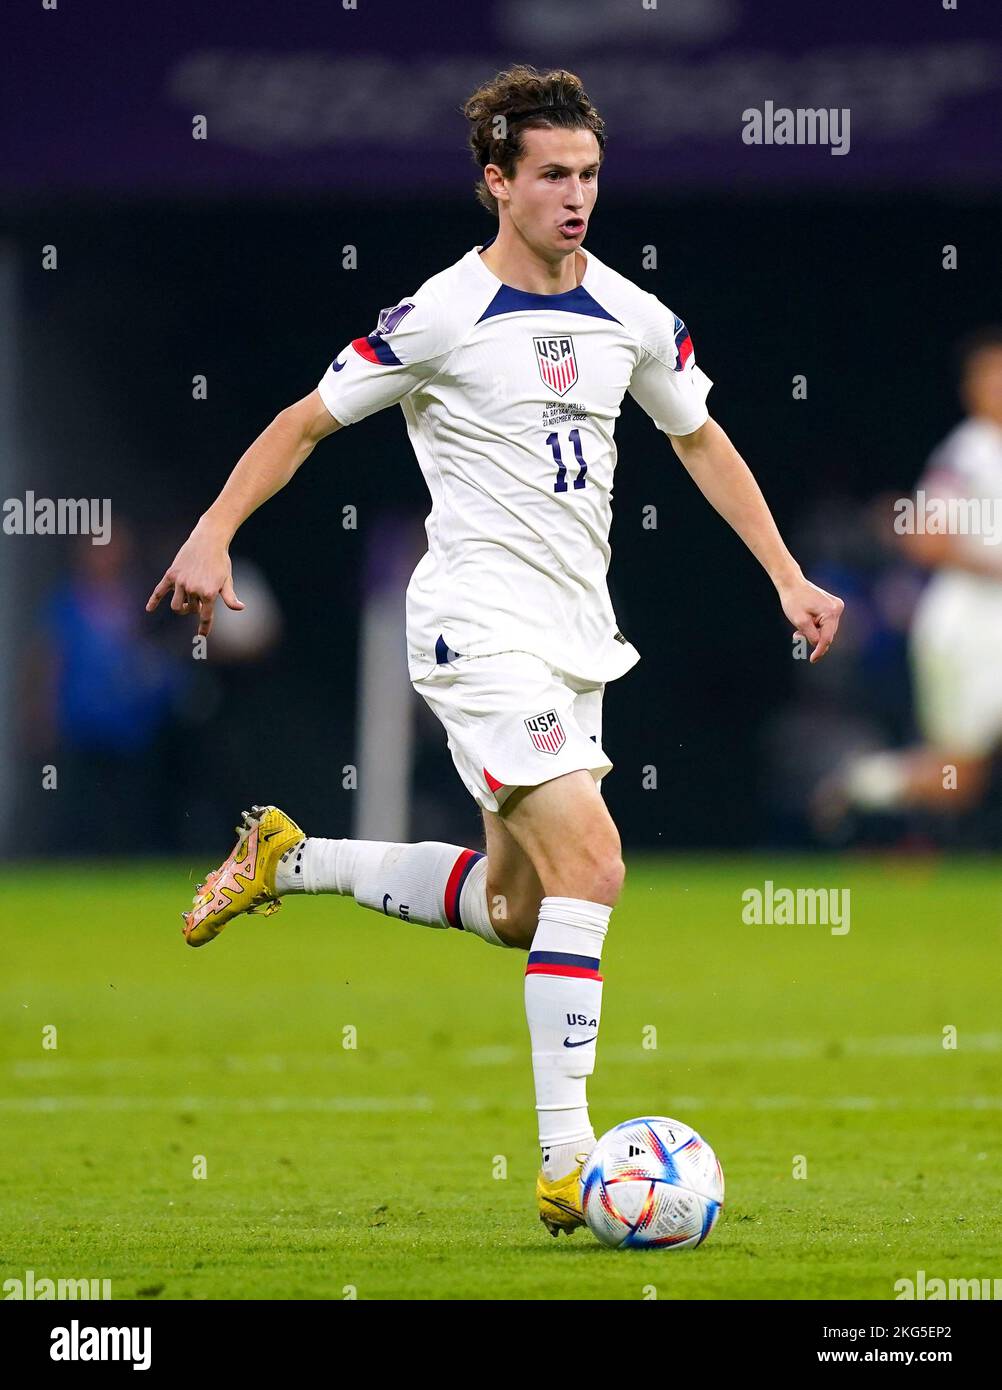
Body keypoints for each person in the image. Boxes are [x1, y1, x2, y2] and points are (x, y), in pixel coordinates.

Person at [147, 66, 843, 1236]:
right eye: (554, 177)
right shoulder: (440, 315)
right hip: (475, 631)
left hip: (577, 647)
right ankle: (569, 1163)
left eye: (590, 176)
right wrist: (216, 529)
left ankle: (291, 859)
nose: (578, 197)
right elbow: (303, 422)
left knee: (526, 910)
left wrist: (786, 574)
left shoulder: (632, 314)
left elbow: (703, 439)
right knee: (598, 866)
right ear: (498, 184)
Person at [814, 328, 1002, 827]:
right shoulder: (970, 450)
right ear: (971, 387)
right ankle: (860, 782)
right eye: (992, 376)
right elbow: (924, 536)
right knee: (957, 779)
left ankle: (863, 780)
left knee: (961, 778)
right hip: (971, 629)